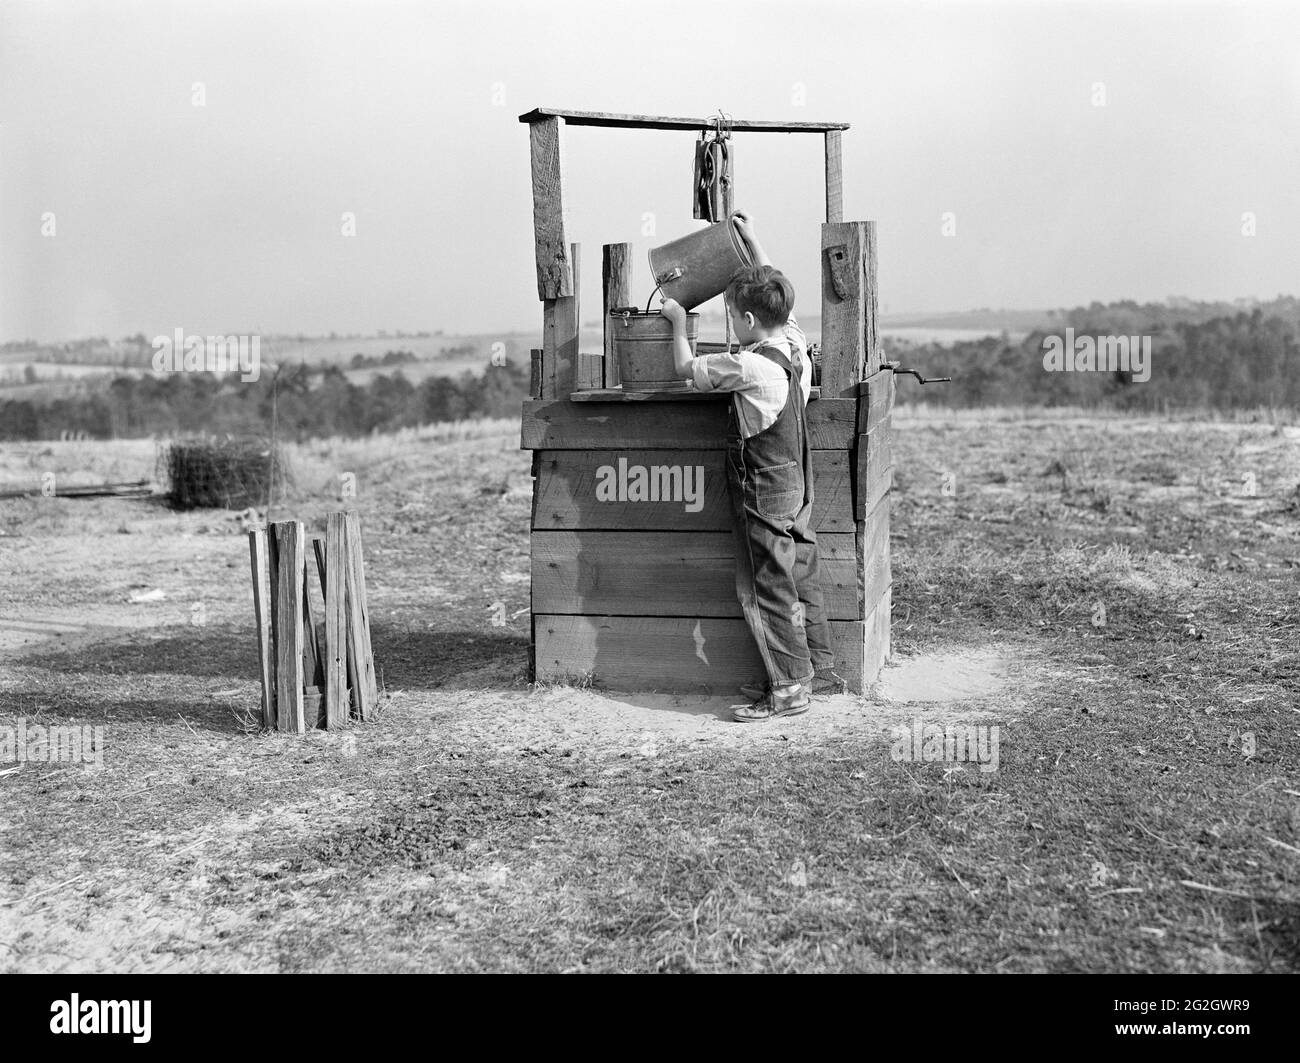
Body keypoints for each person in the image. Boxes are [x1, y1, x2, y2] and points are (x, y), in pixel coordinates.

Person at [660, 212, 845, 722]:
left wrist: (678, 324)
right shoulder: (792, 349)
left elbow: (684, 370)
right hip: (796, 481)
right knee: (801, 570)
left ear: (743, 321)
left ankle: (787, 686)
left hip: (762, 487)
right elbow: (779, 301)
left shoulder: (746, 365)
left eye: (732, 315)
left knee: (766, 585)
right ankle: (815, 669)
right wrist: (754, 241)